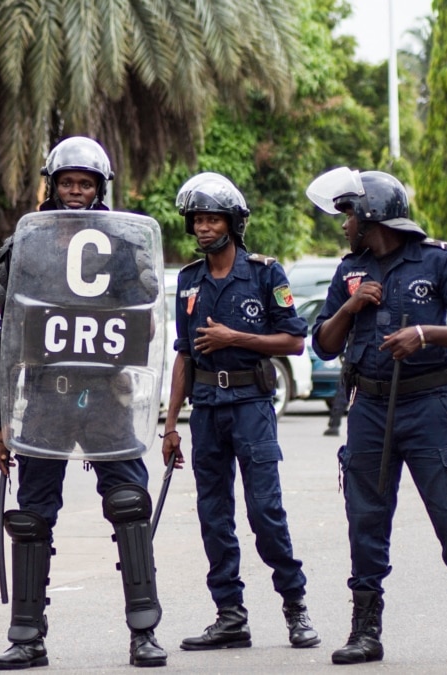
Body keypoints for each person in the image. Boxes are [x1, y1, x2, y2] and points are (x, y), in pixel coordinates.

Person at [305, 167, 447, 665]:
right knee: (366, 524)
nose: (344, 224)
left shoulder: (438, 261)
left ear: (371, 213)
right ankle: (365, 633)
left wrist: (425, 334)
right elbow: (324, 345)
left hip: (429, 407)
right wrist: (350, 307)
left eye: (349, 214)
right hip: (370, 408)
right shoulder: (349, 271)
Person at [0, 136, 168, 670]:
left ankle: (144, 632)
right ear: (52, 185)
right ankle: (26, 635)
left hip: (107, 397)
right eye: (67, 182)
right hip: (45, 396)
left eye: (84, 183)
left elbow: (147, 320)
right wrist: (0, 421)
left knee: (130, 505)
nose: (75, 191)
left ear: (100, 189)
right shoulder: (24, 244)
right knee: (31, 516)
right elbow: (9, 332)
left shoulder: (124, 244)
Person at [160, 172, 320, 653]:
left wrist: (235, 338)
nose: (204, 228)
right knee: (214, 516)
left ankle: (296, 608)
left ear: (233, 223)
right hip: (206, 410)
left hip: (251, 405)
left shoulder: (266, 273)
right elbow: (184, 356)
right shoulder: (188, 282)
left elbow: (294, 341)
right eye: (198, 220)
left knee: (266, 512)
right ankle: (230, 616)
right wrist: (170, 426)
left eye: (213, 219)